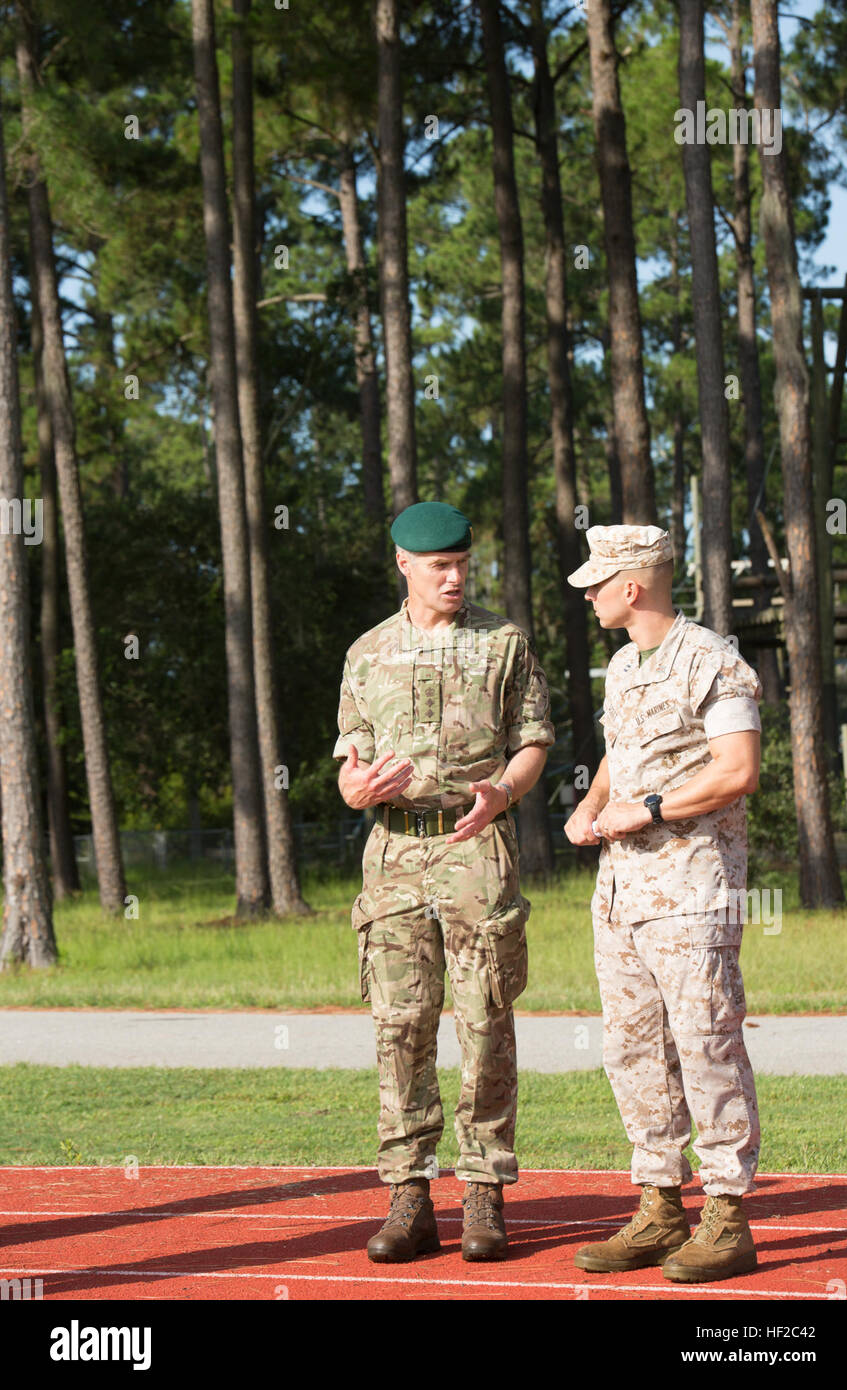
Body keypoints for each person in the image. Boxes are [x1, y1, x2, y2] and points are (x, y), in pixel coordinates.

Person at [334, 501, 554, 1263]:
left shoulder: (503, 643)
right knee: (401, 1029)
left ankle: (485, 1196)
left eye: (462, 563)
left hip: (474, 845)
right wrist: (355, 792)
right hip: (393, 855)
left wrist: (505, 791)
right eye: (440, 567)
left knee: (486, 1022)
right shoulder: (366, 653)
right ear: (404, 563)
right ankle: (409, 1197)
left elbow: (532, 741)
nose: (455, 577)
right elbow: (349, 768)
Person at [565, 524, 762, 1283]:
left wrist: (644, 809)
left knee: (706, 1043)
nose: (587, 592)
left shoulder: (711, 658)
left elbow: (736, 769)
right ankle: (659, 1205)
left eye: (597, 581)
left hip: (689, 889)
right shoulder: (623, 664)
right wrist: (593, 803)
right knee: (634, 1049)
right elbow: (624, 750)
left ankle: (728, 1215)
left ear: (633, 586)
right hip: (622, 893)